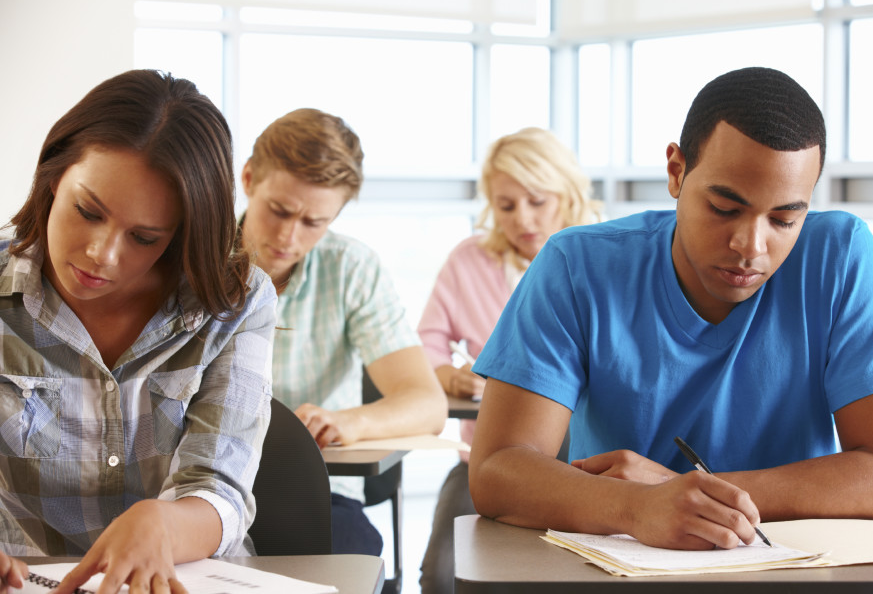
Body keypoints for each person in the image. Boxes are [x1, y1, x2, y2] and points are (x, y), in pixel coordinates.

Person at [469, 67, 873, 551]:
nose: (750, 246)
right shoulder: (576, 265)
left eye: (784, 219)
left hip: (792, 568)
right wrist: (634, 508)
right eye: (724, 207)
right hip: (618, 569)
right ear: (676, 171)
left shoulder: (844, 260)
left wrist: (692, 495)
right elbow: (497, 469)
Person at [0, 69, 277, 594]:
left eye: (145, 237)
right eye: (87, 211)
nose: (101, 255)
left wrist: (165, 523)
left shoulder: (234, 300)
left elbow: (220, 487)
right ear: (55, 174)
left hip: (189, 579)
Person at [238, 108, 447, 555]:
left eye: (314, 223)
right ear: (250, 178)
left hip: (318, 490)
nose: (289, 237)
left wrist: (349, 421)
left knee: (350, 553)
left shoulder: (351, 267)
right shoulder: (188, 259)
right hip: (199, 484)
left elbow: (428, 404)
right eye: (279, 211)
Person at [416, 127, 600, 594]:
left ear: (567, 193)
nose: (523, 218)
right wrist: (449, 376)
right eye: (506, 205)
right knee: (440, 576)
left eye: (538, 201)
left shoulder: (604, 257)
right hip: (490, 456)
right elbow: (428, 342)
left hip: (593, 464)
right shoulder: (469, 261)